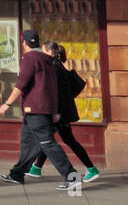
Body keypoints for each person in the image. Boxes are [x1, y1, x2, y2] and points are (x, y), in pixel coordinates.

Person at [0, 29, 79, 189]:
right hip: (41, 110)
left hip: (36, 110)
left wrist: (7, 103)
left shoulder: (29, 58)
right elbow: (53, 87)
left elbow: (21, 84)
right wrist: (55, 110)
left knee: (48, 143)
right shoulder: (47, 59)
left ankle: (72, 178)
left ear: (24, 43)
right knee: (29, 144)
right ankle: (17, 174)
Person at [26, 43, 100, 182]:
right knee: (48, 139)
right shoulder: (56, 65)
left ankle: (91, 168)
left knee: (66, 140)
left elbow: (57, 92)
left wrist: (56, 112)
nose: (41, 54)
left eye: (43, 51)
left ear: (50, 52)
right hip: (59, 111)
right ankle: (36, 168)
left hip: (59, 112)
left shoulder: (54, 67)